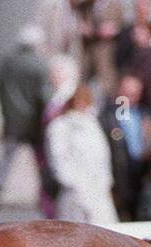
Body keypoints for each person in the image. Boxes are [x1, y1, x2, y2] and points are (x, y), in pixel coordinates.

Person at [0, 25, 48, 209]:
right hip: (33, 123)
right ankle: (46, 192)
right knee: (42, 159)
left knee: (6, 157)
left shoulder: (7, 62)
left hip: (12, 120)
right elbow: (44, 95)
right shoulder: (39, 64)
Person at [46, 85, 117, 226]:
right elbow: (58, 160)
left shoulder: (93, 125)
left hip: (98, 193)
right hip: (74, 194)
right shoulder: (59, 127)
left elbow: (103, 158)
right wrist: (75, 185)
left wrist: (105, 184)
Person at [101, 72, 151, 221]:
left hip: (141, 174)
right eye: (126, 93)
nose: (130, 98)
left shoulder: (145, 115)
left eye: (134, 94)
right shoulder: (108, 117)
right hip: (120, 176)